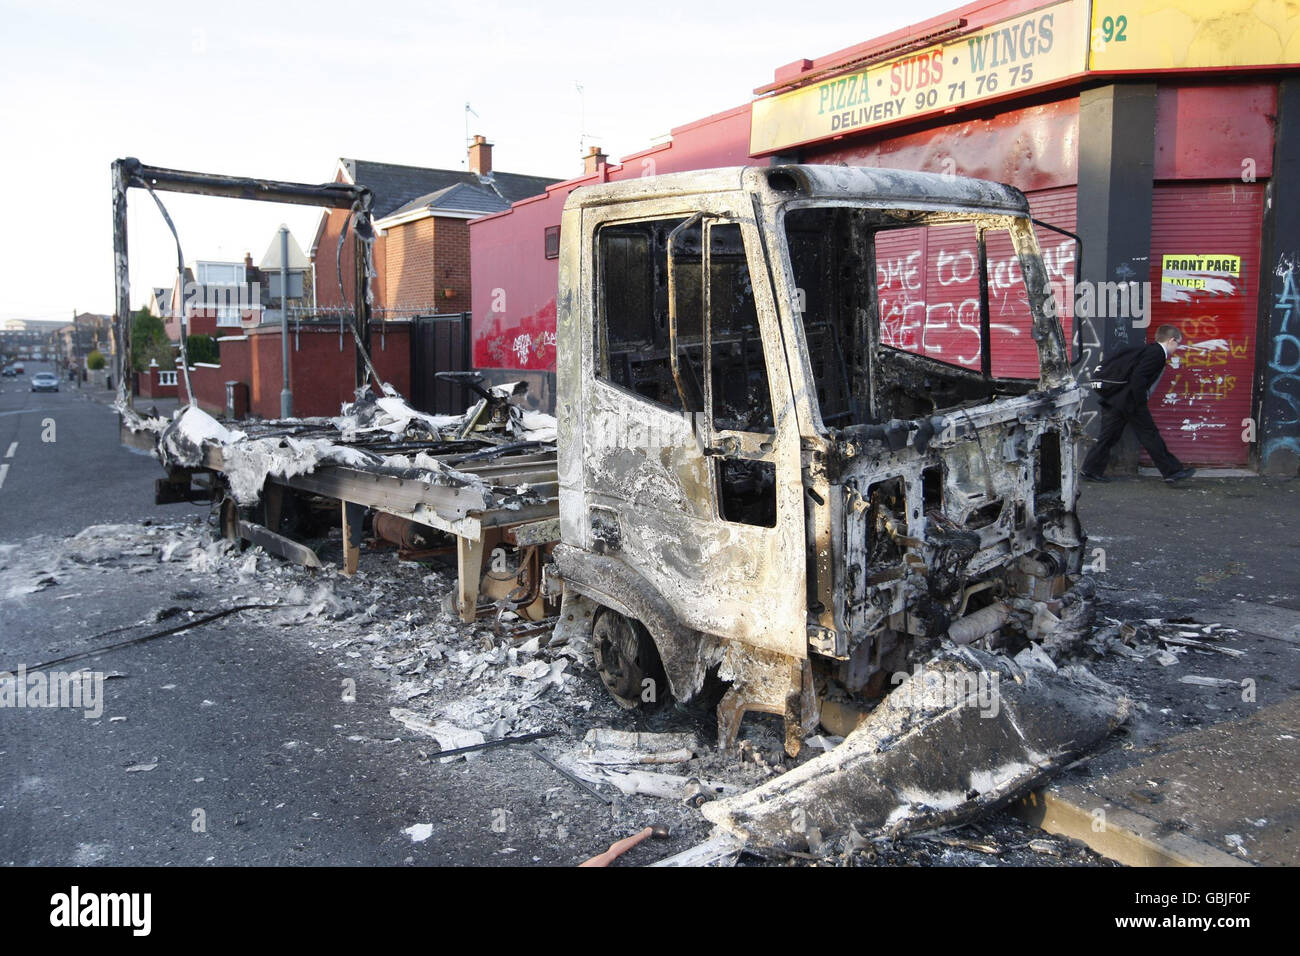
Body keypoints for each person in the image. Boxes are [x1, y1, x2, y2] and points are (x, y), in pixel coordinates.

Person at [1081, 324, 1196, 484]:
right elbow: (1138, 378)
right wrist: (1140, 402)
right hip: (1131, 402)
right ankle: (1172, 471)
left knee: (1109, 437)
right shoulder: (1157, 353)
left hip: (1118, 400)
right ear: (1171, 340)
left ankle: (1090, 470)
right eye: (1177, 343)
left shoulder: (1149, 350)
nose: (1177, 347)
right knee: (1150, 435)